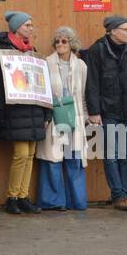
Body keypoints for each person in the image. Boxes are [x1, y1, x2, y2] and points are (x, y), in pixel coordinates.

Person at [83, 16, 127, 211]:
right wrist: (94, 111)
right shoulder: (97, 51)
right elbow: (91, 83)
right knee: (111, 155)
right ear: (112, 31)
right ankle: (118, 196)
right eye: (125, 29)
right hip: (107, 112)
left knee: (126, 155)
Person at [0, 11, 46, 214]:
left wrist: (45, 114)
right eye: (27, 25)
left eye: (31, 25)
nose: (31, 28)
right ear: (15, 28)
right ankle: (12, 197)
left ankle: (23, 196)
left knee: (30, 153)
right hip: (15, 110)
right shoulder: (4, 51)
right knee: (21, 154)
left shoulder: (32, 51)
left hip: (33, 110)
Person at [38, 26, 89, 211]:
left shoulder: (81, 66)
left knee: (74, 157)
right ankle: (53, 201)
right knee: (52, 158)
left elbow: (83, 95)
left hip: (74, 117)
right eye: (57, 41)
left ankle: (77, 201)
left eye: (64, 41)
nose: (60, 44)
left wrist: (85, 118)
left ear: (72, 43)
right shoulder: (46, 62)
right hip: (53, 116)